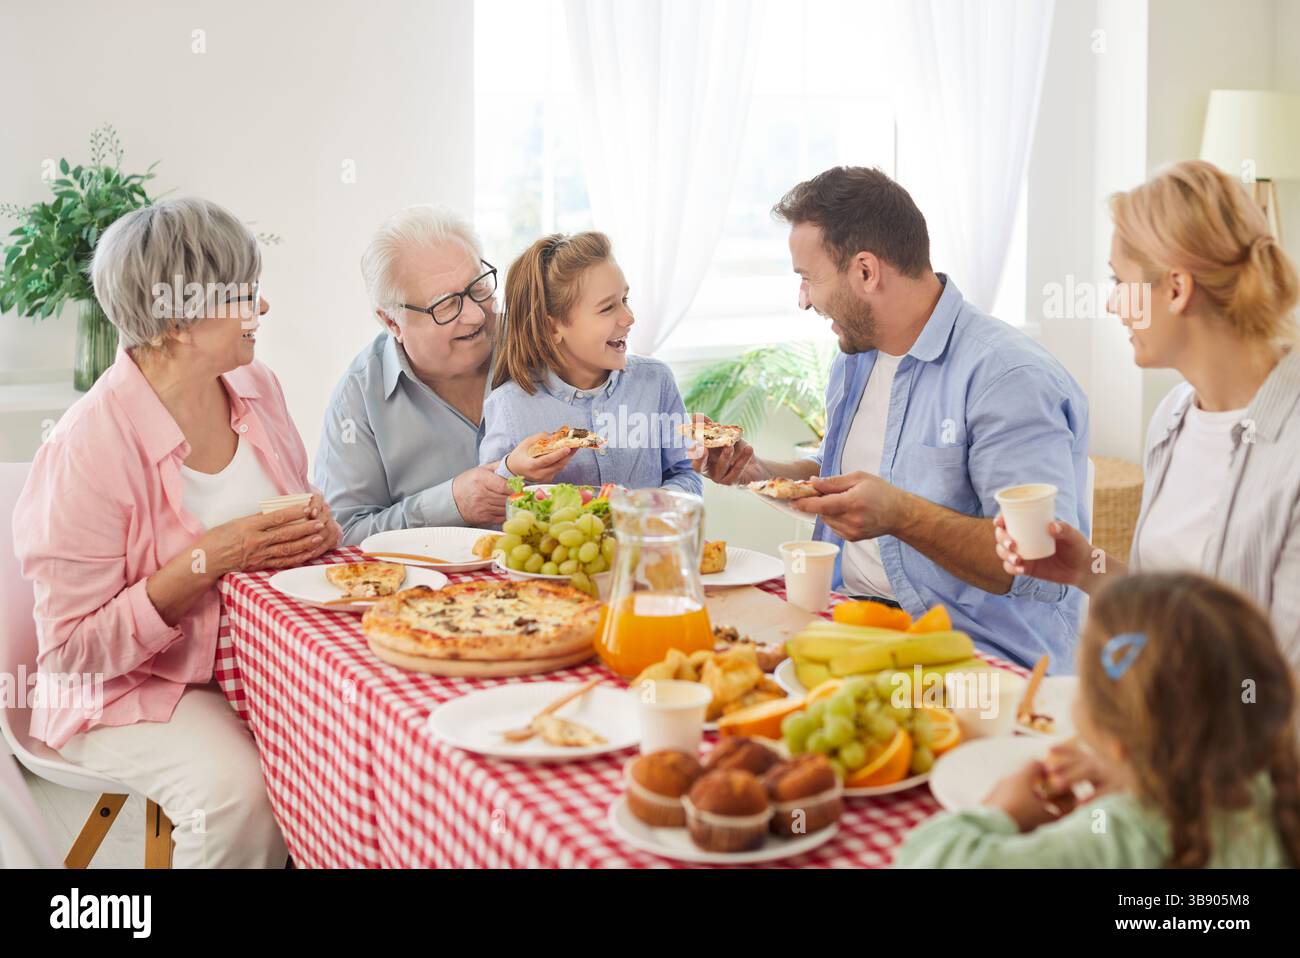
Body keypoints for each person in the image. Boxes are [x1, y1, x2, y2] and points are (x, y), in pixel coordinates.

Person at [13, 197, 339, 867]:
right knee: (239, 793)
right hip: (127, 690)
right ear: (178, 320)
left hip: (259, 665)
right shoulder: (87, 447)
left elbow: (292, 516)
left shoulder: (255, 384)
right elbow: (72, 654)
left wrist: (317, 527)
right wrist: (204, 562)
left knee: (358, 748)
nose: (263, 309)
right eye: (244, 295)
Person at [692, 167, 1089, 671]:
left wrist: (901, 516)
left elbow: (1038, 564)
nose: (803, 300)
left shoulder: (1006, 378)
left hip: (975, 659)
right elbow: (851, 479)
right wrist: (758, 473)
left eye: (808, 279)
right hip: (853, 625)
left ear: (865, 271)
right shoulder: (857, 356)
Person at [995, 160, 1300, 670]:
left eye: (1120, 281)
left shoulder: (1289, 449)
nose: (1113, 304)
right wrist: (1084, 567)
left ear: (1177, 289)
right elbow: (1165, 605)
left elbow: (1281, 687)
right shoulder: (1174, 419)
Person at [894, 571, 1299, 867]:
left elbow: (925, 859)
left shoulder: (1111, 838)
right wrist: (1126, 772)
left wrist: (1001, 813)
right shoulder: (1274, 793)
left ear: (1115, 736)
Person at [316, 205, 545, 544]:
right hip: (425, 591)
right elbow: (344, 534)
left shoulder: (540, 344)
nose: (474, 316)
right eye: (445, 305)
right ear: (393, 322)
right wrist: (451, 504)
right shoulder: (358, 397)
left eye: (478, 288)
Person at [479, 232, 702, 496]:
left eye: (625, 300)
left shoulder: (656, 382)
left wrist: (643, 507)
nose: (629, 318)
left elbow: (686, 474)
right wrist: (512, 470)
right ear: (552, 327)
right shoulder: (508, 406)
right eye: (607, 308)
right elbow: (494, 508)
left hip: (642, 536)